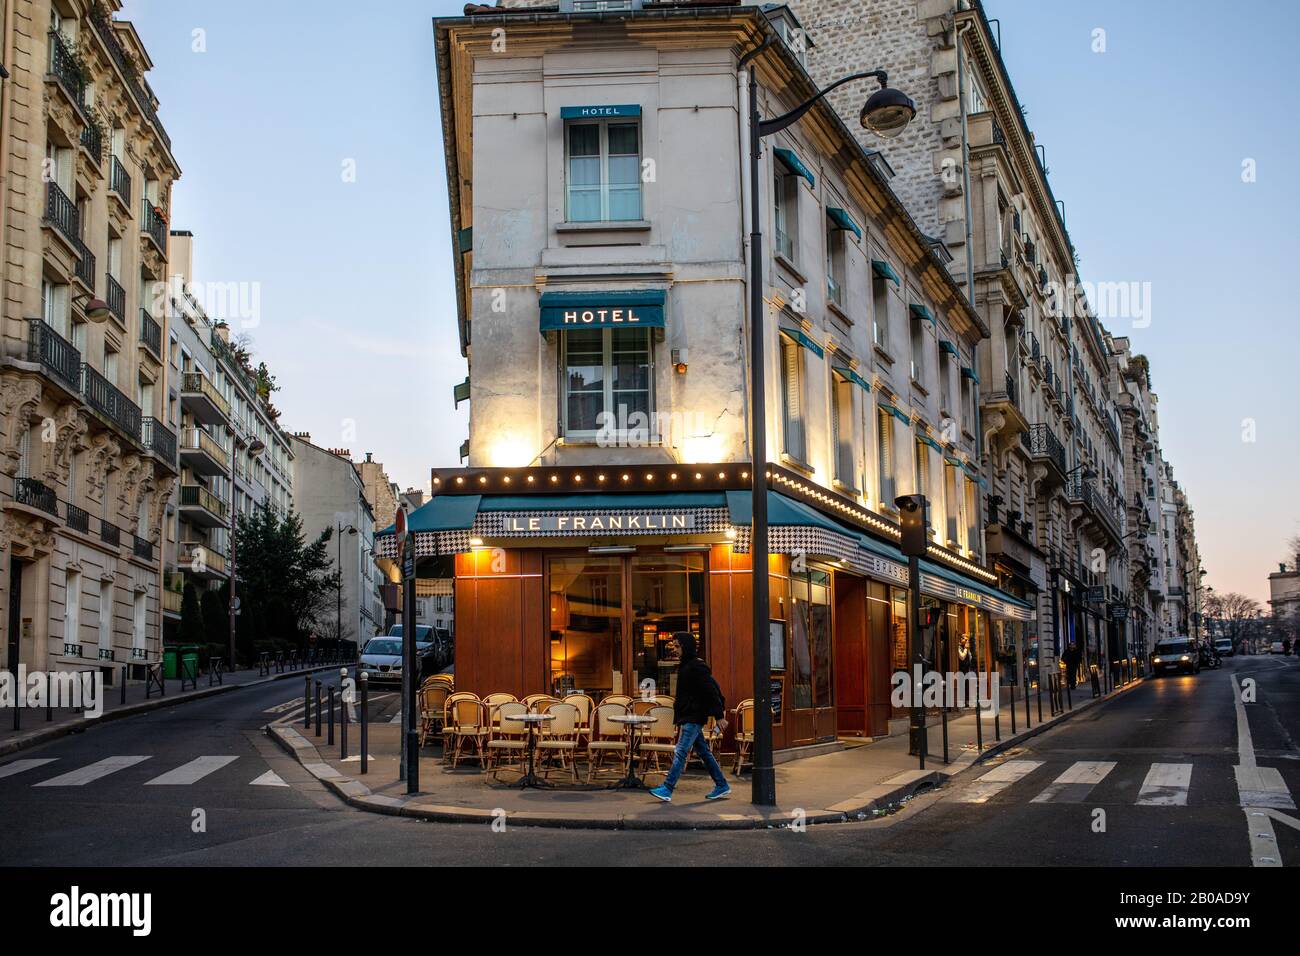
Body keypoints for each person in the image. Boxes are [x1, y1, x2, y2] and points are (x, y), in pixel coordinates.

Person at [649, 633, 731, 803]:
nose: (675, 650)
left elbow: (711, 691)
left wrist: (719, 716)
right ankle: (722, 784)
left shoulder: (696, 667)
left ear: (687, 646)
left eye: (678, 646)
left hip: (693, 716)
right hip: (689, 715)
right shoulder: (687, 665)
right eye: (674, 646)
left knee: (680, 751)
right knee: (704, 752)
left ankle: (667, 788)